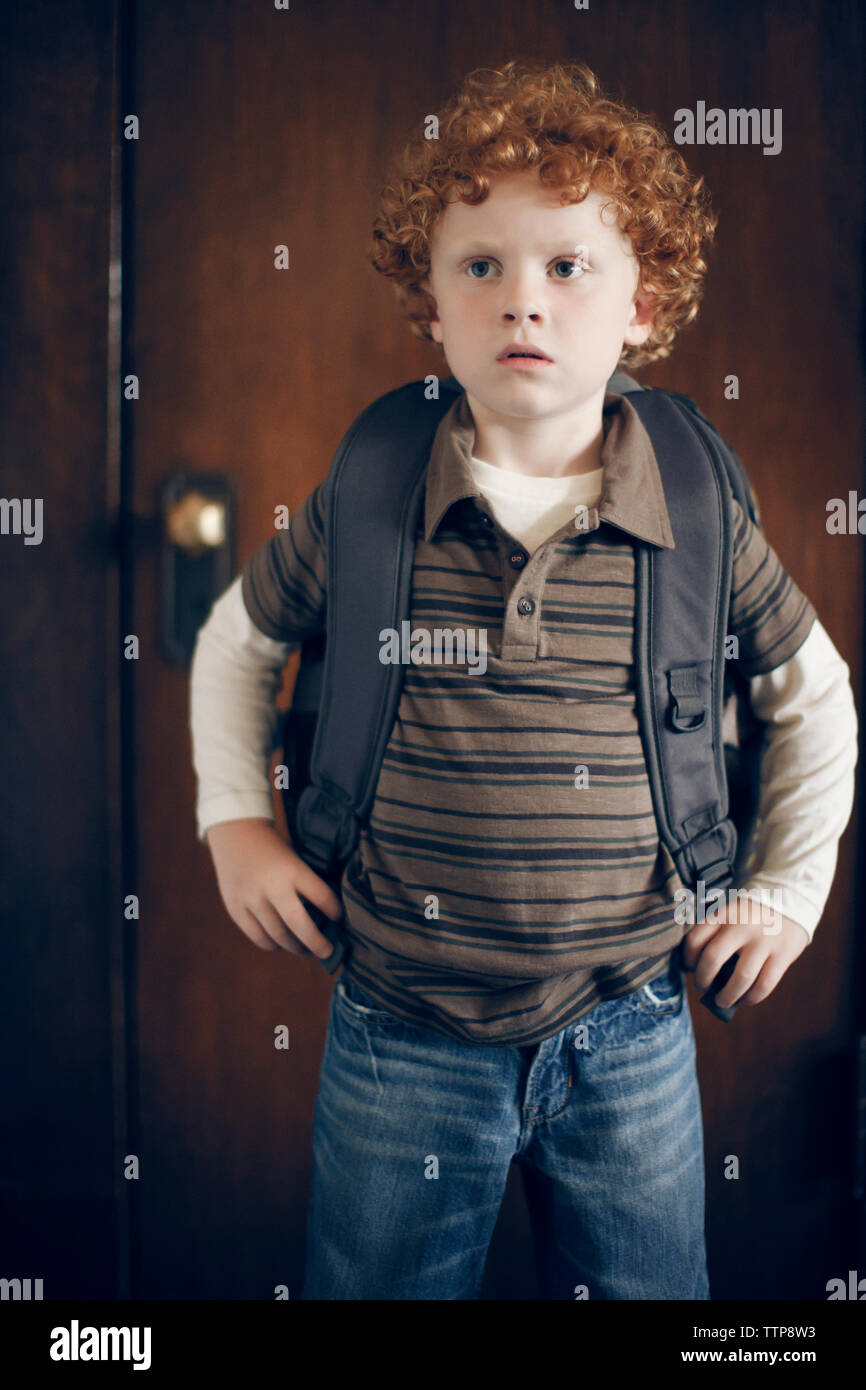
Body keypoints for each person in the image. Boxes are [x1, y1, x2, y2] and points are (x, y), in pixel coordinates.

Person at [189, 59, 858, 1299]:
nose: (521, 303)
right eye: (478, 265)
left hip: (634, 1029)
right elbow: (239, 640)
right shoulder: (375, 489)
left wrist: (785, 893)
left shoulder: (696, 508)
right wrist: (237, 824)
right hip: (402, 1028)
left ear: (642, 302)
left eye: (566, 266)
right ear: (428, 304)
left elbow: (813, 696)